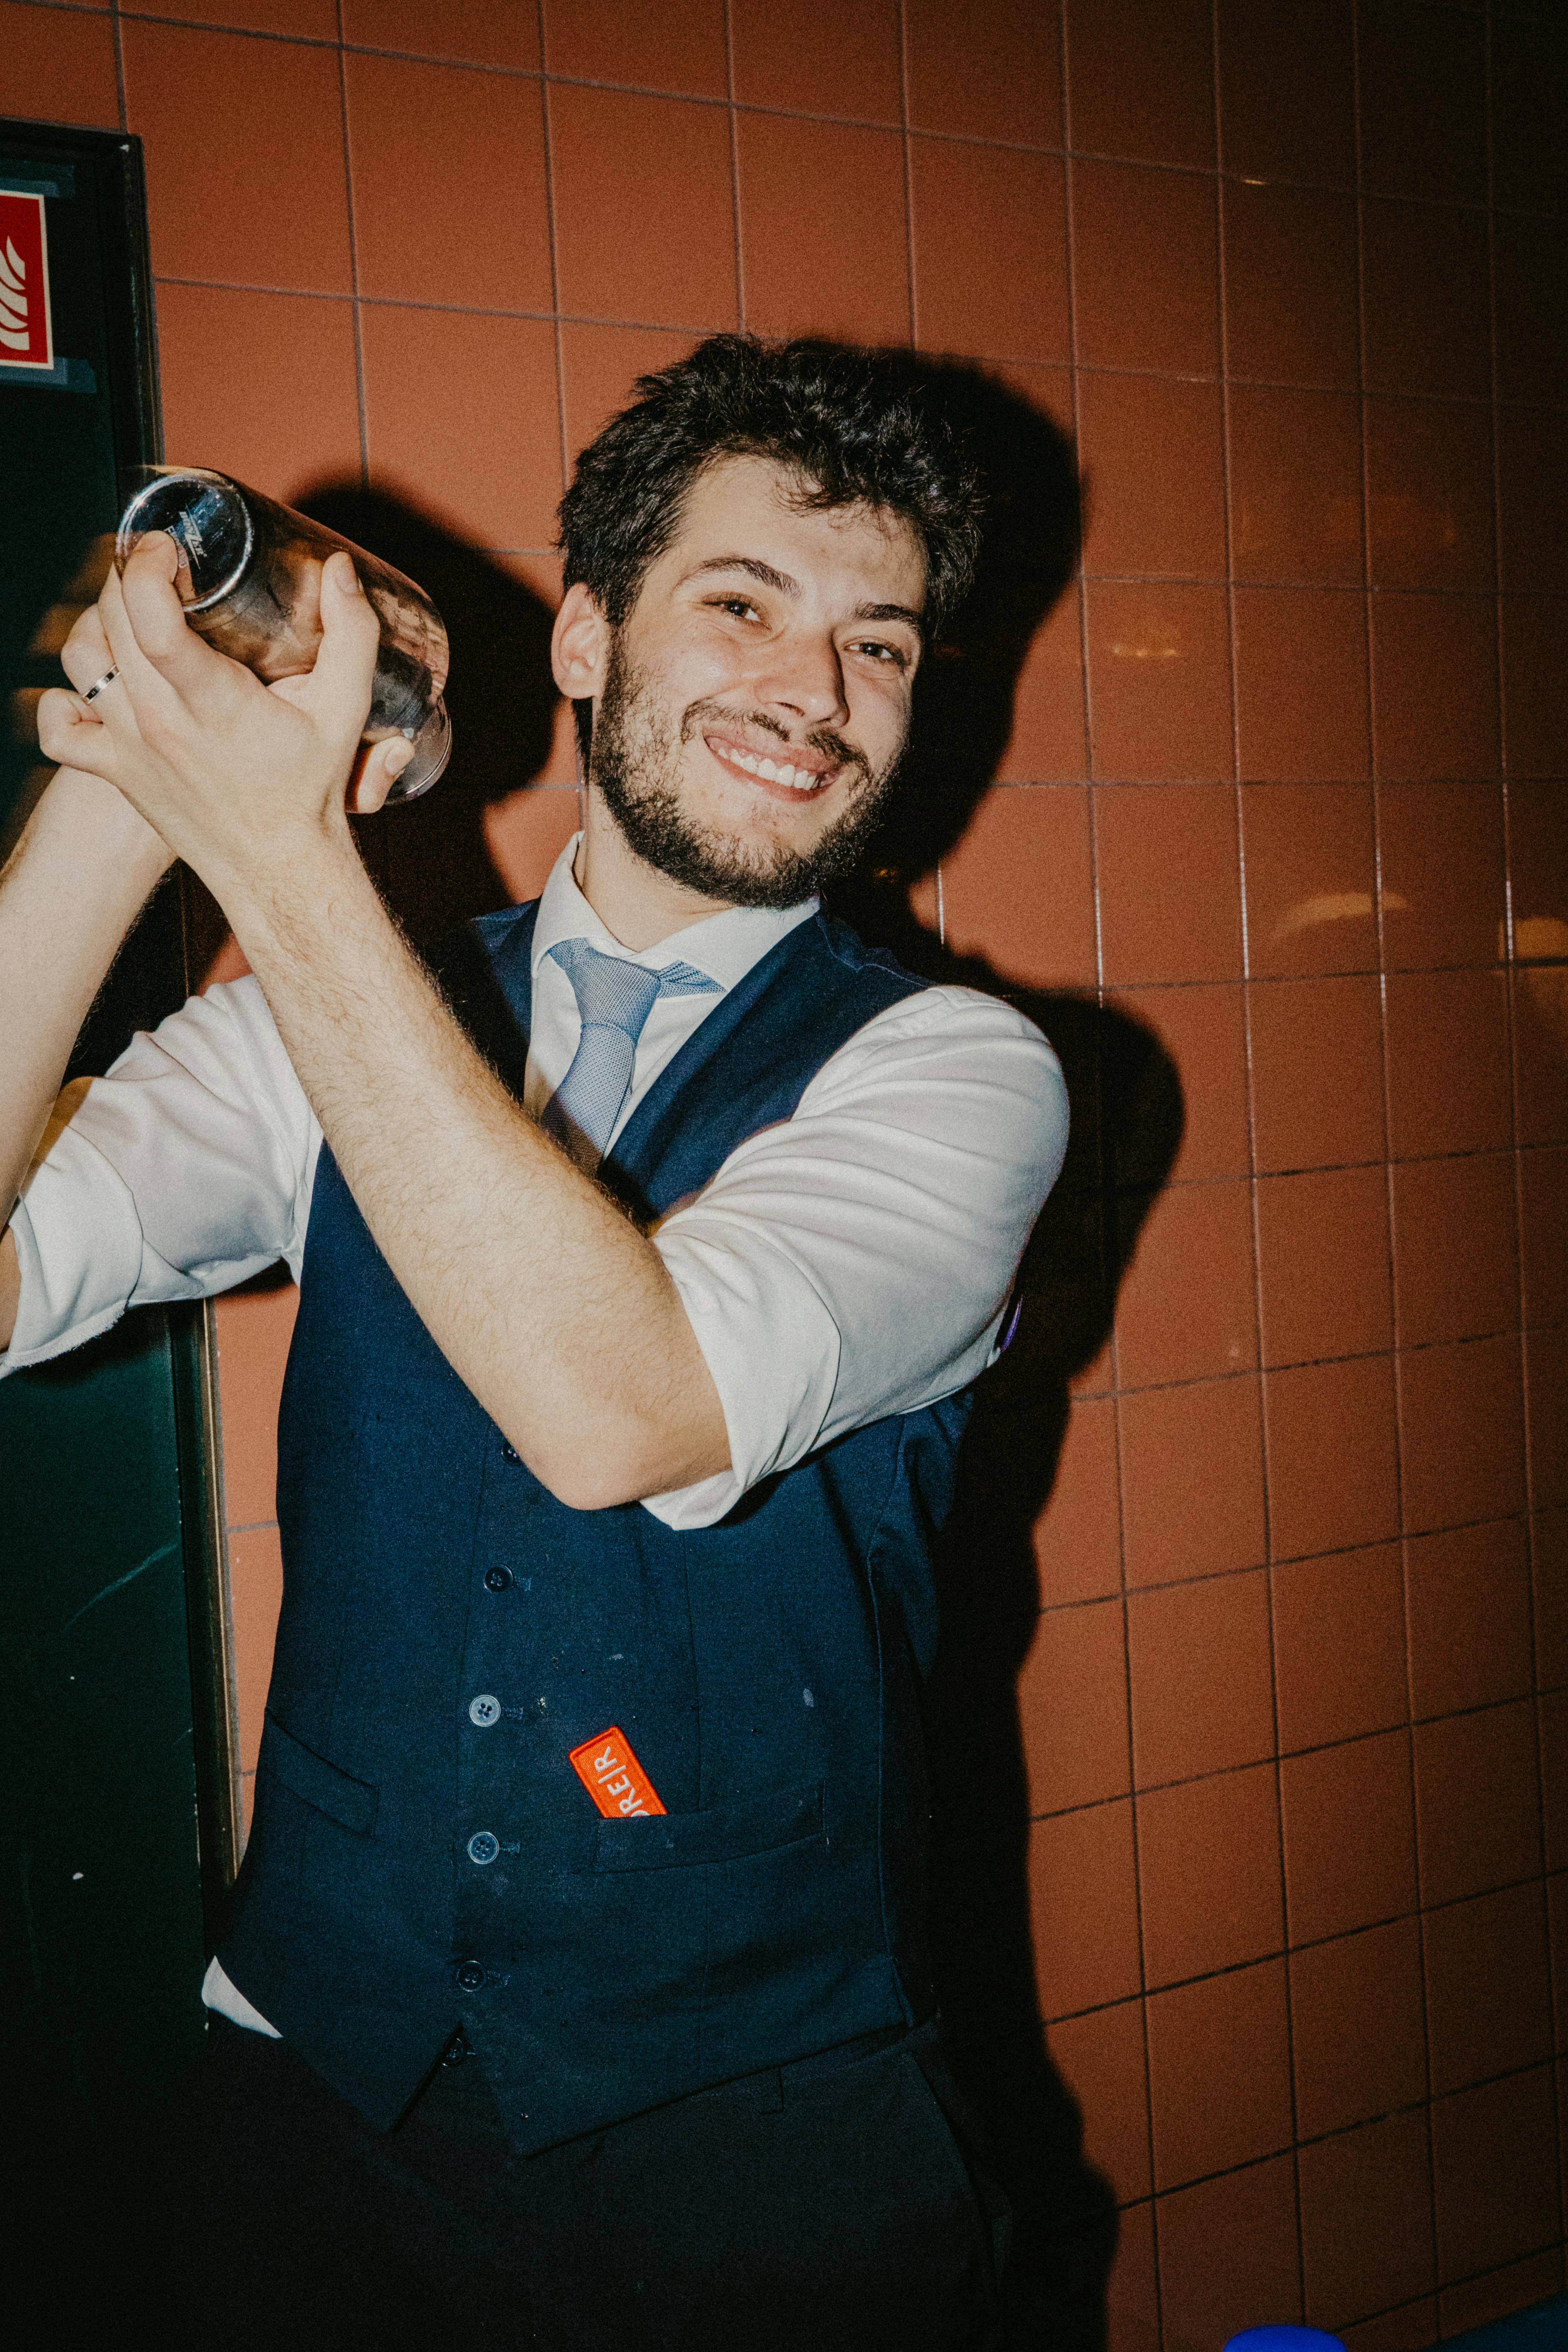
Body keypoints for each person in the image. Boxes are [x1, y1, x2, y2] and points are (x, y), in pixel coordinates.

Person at [0, 337, 1068, 2350]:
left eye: (884, 647)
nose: (813, 695)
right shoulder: (336, 1020)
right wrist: (133, 786)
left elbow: (622, 1411)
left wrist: (281, 846)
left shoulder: (960, 1076)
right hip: (312, 2083)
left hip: (756, 2148)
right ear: (579, 642)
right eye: (741, 604)